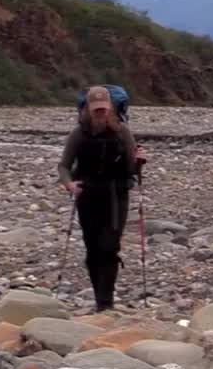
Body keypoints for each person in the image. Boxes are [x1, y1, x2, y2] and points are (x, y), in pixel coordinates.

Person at [57, 86, 146, 312]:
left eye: (104, 109)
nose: (100, 113)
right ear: (88, 108)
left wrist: (139, 162)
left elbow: (130, 167)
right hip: (88, 195)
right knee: (93, 249)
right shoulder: (78, 134)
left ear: (111, 108)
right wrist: (69, 184)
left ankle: (106, 303)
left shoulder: (122, 132)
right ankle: (100, 299)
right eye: (96, 109)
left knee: (109, 246)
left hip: (116, 195)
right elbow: (64, 166)